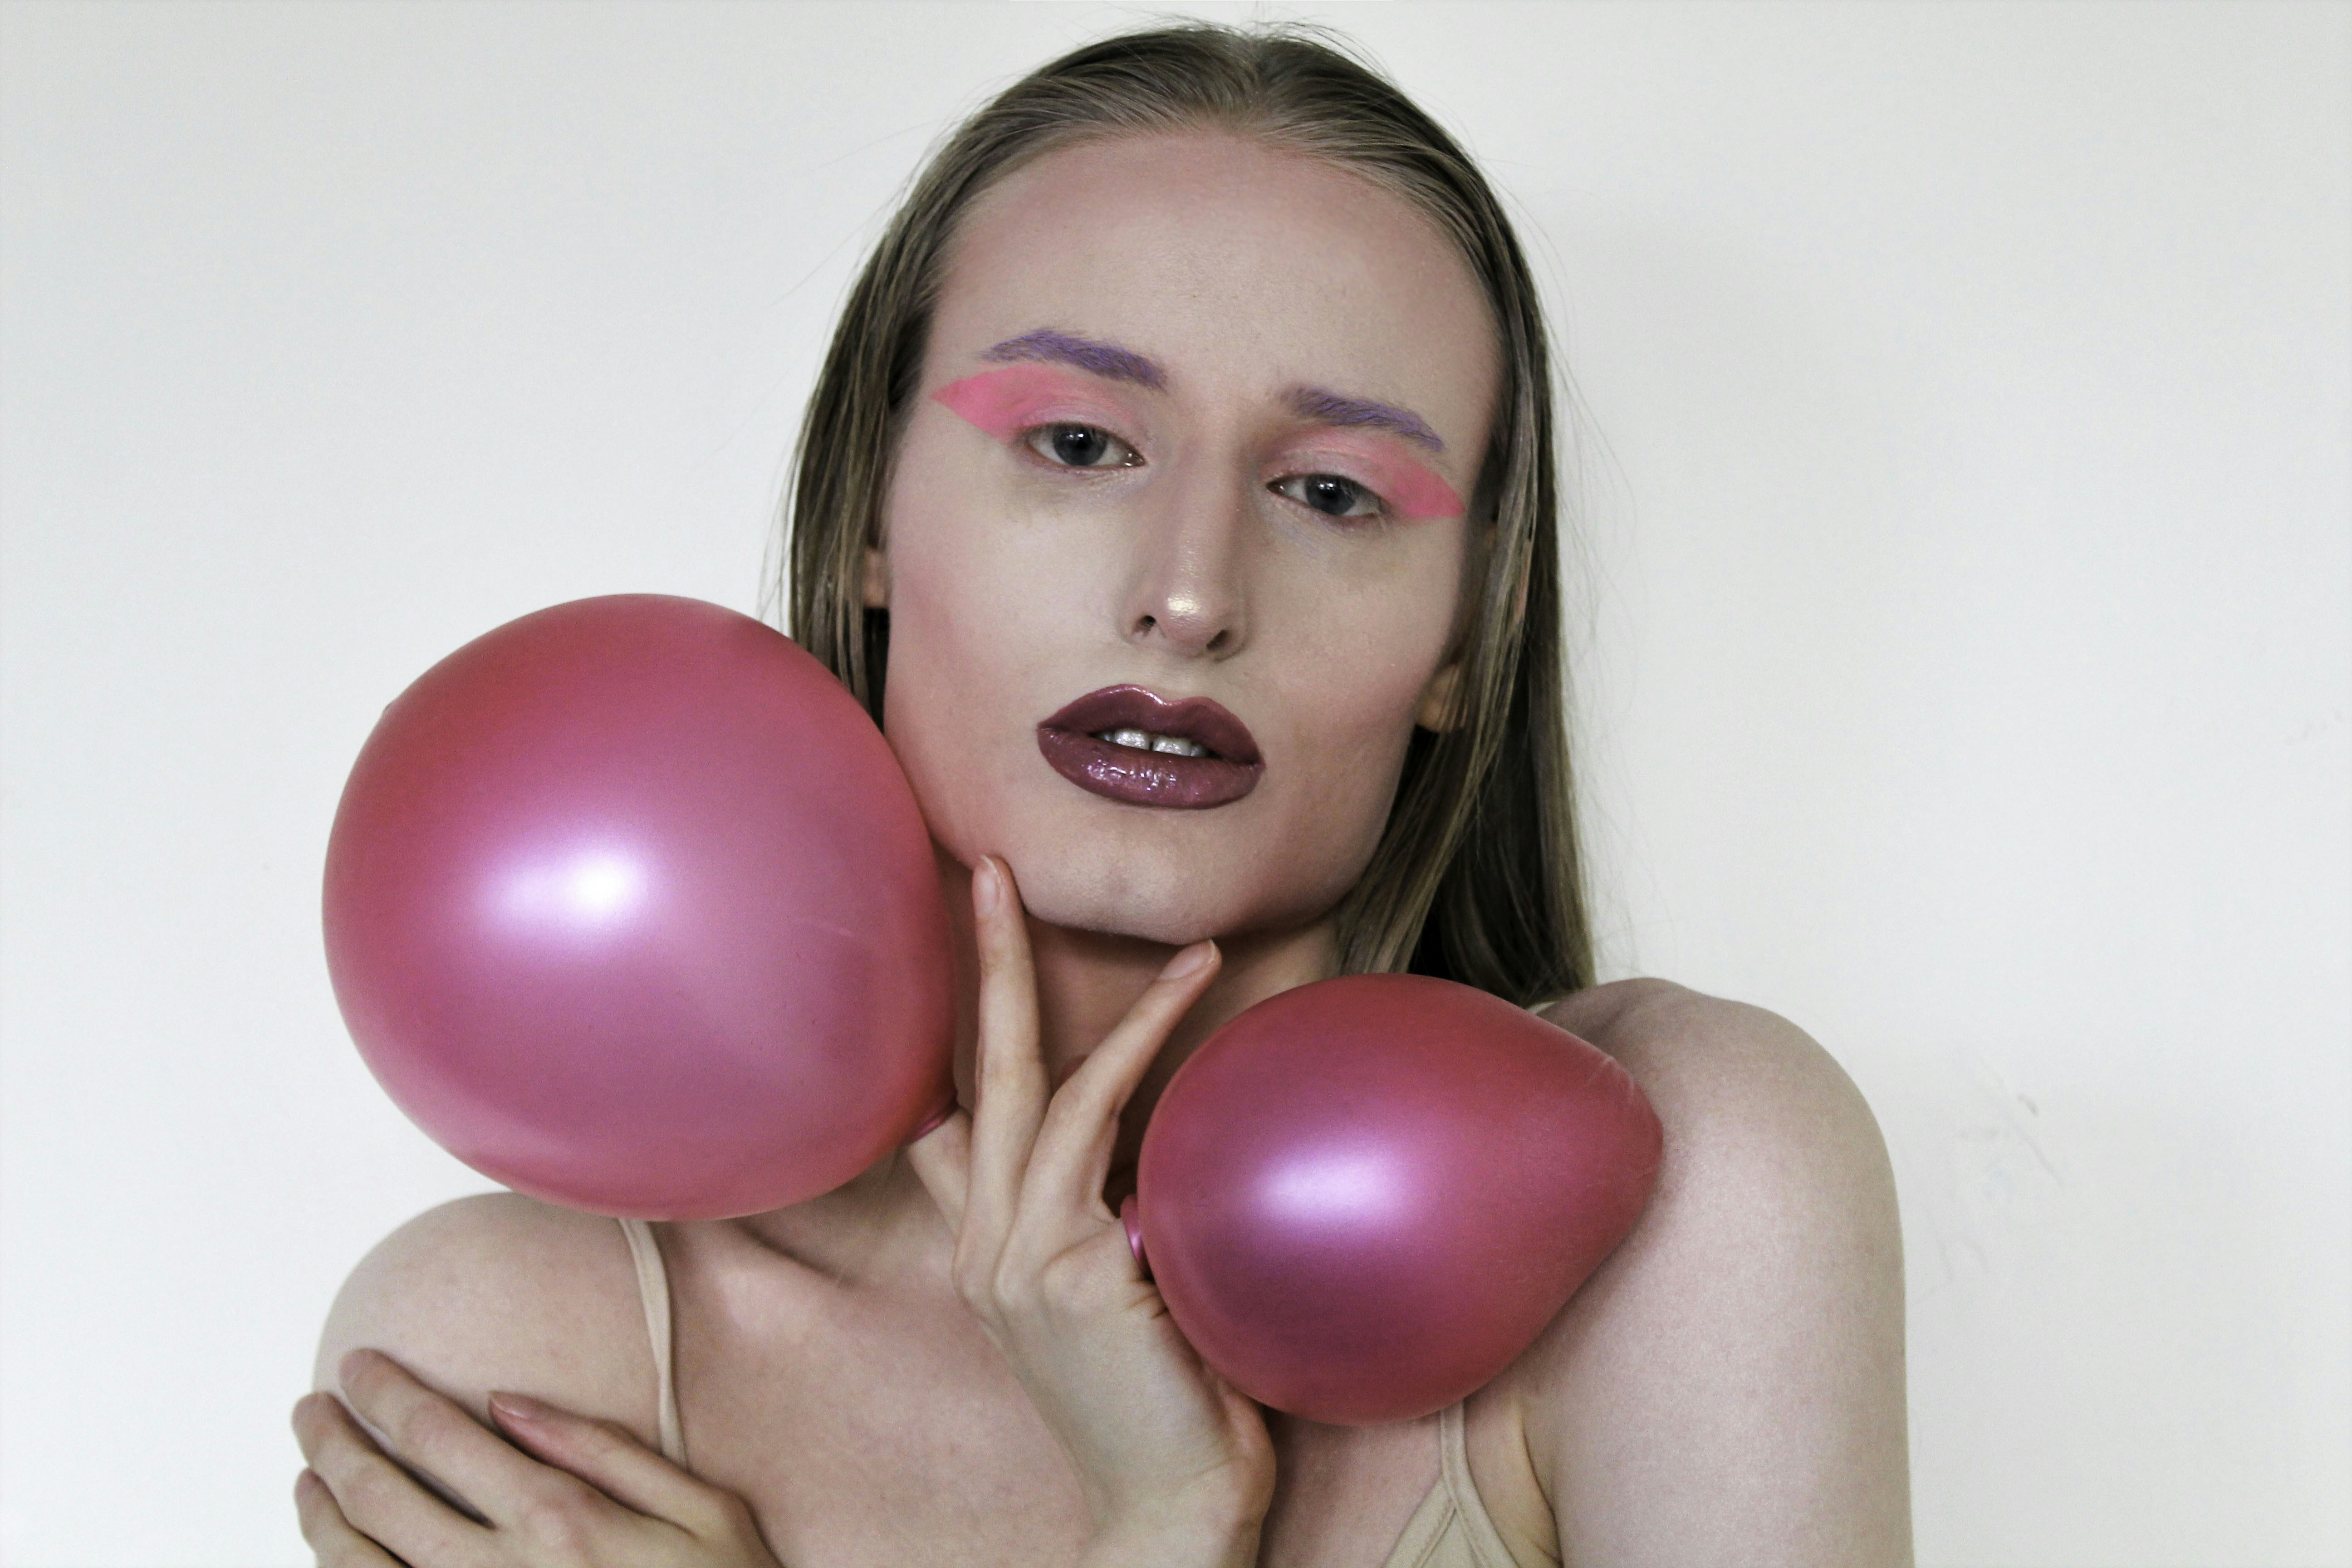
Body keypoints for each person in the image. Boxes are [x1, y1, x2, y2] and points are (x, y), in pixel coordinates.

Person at [290, 22, 1911, 1567]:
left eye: (1332, 491)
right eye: (1077, 445)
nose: (1191, 595)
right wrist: (1159, 1530)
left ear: (1465, 641)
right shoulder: (516, 1356)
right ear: (870, 511)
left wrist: (1170, 1510)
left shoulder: (1677, 1186)